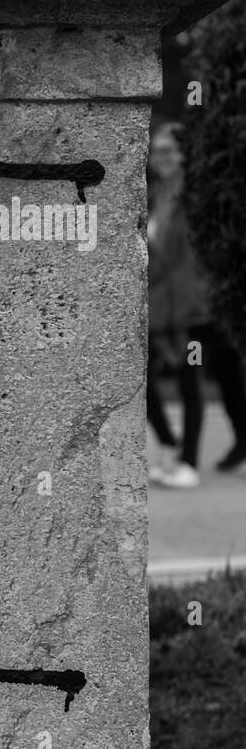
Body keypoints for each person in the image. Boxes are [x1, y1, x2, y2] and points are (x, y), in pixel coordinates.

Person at [146, 124, 246, 488]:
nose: (163, 157)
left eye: (171, 150)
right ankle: (185, 446)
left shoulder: (198, 195)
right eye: (157, 151)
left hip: (196, 312)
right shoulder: (157, 194)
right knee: (229, 375)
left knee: (194, 378)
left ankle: (186, 462)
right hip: (169, 310)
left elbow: (193, 261)